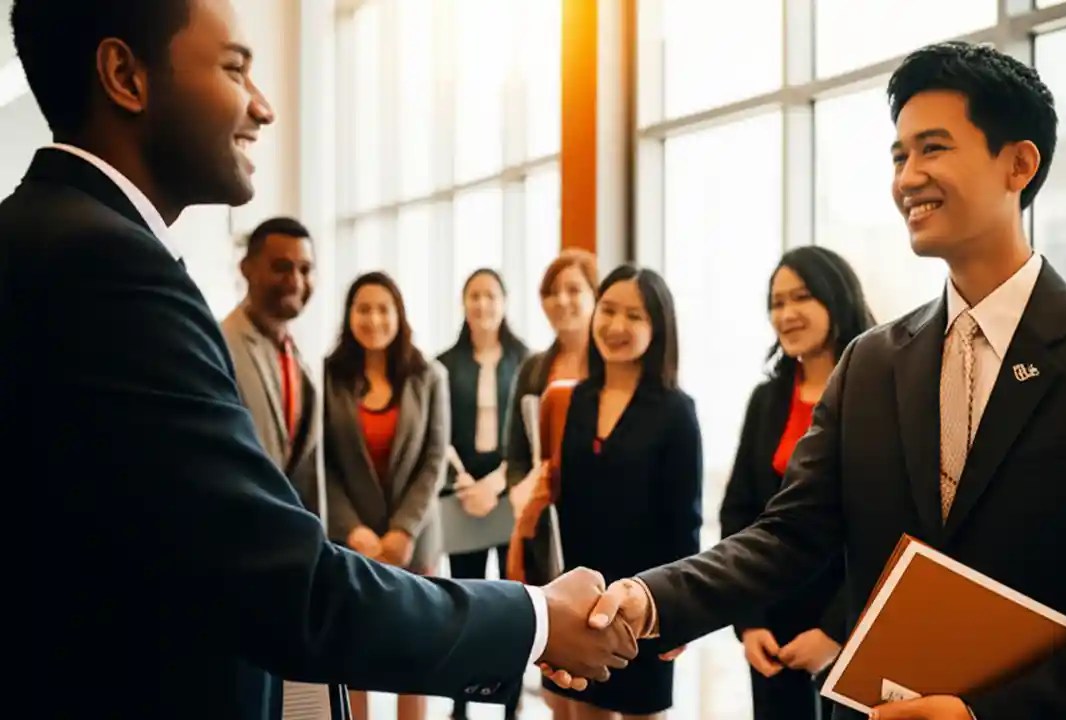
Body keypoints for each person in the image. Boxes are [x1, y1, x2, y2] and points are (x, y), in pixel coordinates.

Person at [0, 2, 636, 718]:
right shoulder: (105, 266)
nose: (263, 107)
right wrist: (538, 620)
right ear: (125, 75)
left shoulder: (43, 237)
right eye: (235, 68)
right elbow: (280, 586)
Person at [581, 41, 1066, 720]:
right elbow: (788, 537)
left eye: (933, 149)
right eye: (899, 155)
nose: (908, 177)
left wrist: (979, 716)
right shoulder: (873, 362)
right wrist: (649, 602)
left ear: (1018, 164)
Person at [720, 246, 876, 720]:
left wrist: (836, 630)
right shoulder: (767, 399)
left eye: (801, 298)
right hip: (772, 626)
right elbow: (739, 512)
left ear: (837, 298)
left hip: (852, 622)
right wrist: (747, 623)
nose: (785, 314)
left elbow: (882, 525)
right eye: (776, 302)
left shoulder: (875, 392)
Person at [544, 265, 702, 720]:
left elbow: (684, 521)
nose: (616, 326)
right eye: (608, 310)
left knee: (641, 711)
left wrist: (679, 613)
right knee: (578, 710)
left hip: (643, 601)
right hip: (576, 595)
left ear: (658, 327)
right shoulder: (576, 399)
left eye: (634, 316)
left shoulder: (676, 411)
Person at [324, 272, 452, 720]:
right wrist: (353, 530)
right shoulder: (328, 377)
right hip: (351, 542)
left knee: (413, 655)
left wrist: (403, 530)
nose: (374, 319)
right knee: (356, 654)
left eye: (383, 309)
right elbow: (323, 464)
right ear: (349, 316)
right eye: (364, 309)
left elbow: (434, 458)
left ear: (399, 315)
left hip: (414, 543)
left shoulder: (429, 375)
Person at [222, 216, 336, 717]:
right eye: (281, 267)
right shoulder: (221, 343)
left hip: (285, 570)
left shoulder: (299, 356)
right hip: (237, 565)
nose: (296, 280)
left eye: (306, 269)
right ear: (247, 268)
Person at [436, 268, 531, 720]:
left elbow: (528, 441)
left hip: (509, 496)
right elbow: (438, 435)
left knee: (513, 601)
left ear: (505, 303)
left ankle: (510, 702)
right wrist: (467, 486)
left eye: (491, 295)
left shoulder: (525, 361)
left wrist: (497, 484)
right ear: (463, 303)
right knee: (465, 601)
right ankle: (461, 703)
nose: (482, 304)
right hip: (461, 499)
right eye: (474, 296)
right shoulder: (445, 364)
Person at [505, 249, 599, 583]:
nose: (561, 300)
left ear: (595, 295)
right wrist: (521, 492)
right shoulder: (532, 369)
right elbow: (515, 452)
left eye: (574, 290)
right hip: (543, 519)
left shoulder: (612, 368)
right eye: (551, 292)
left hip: (599, 514)